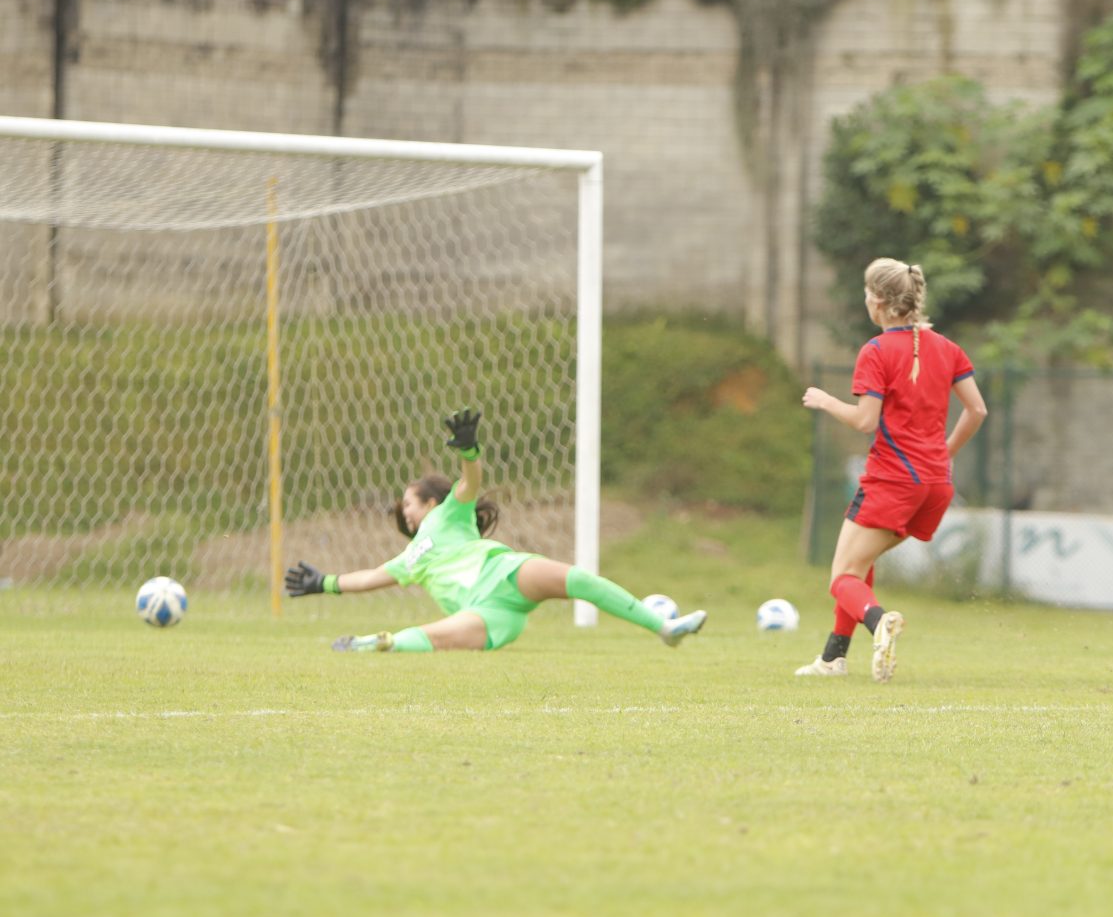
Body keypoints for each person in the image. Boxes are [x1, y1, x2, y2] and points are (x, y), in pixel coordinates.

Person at [286, 408, 706, 652]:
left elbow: (470, 480)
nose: (404, 510)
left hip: (503, 573)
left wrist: (469, 450)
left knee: (578, 579)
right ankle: (370, 644)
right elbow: (369, 578)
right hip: (487, 613)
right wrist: (325, 583)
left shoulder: (449, 514)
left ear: (430, 503)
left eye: (409, 501)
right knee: (433, 638)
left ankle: (665, 629)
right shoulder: (408, 559)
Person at [796, 257, 987, 682]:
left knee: (842, 575)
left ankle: (878, 621)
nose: (865, 300)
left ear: (879, 302)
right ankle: (833, 658)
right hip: (935, 485)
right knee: (859, 564)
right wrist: (947, 451)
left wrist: (826, 401)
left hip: (893, 480)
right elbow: (977, 409)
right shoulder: (947, 347)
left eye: (867, 293)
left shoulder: (877, 350)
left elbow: (865, 421)